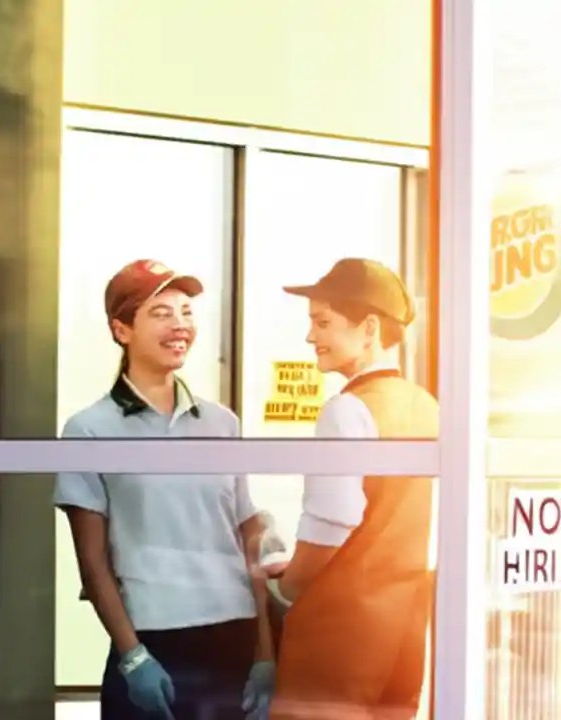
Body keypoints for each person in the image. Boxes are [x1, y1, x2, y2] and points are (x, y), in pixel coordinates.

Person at [55, 259, 275, 720]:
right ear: (122, 330)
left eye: (186, 311)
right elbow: (93, 564)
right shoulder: (89, 430)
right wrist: (132, 656)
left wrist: (265, 653)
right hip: (152, 643)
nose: (180, 325)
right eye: (161, 312)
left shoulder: (222, 423)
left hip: (232, 638)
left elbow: (248, 539)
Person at [260, 258, 439, 719]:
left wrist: (292, 583)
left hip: (336, 643)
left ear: (370, 328)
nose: (310, 337)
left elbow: (334, 520)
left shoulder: (346, 410)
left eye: (323, 323)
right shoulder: (427, 407)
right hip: (401, 637)